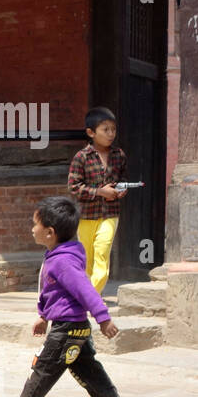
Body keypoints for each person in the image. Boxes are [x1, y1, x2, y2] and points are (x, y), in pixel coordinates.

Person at [0, 196, 130, 397]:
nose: (32, 229)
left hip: (67, 328)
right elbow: (52, 292)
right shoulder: (59, 255)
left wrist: (103, 318)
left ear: (49, 232)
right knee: (86, 368)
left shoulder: (63, 261)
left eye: (35, 224)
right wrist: (44, 316)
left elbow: (85, 290)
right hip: (74, 328)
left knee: (44, 366)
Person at [67, 107, 128, 293]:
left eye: (113, 129)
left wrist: (122, 188)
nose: (111, 134)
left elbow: (122, 179)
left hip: (110, 214)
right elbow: (74, 187)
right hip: (86, 216)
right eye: (105, 130)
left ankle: (89, 297)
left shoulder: (119, 155)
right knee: (87, 260)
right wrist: (100, 192)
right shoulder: (81, 157)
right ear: (91, 132)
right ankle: (89, 297)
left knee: (102, 252)